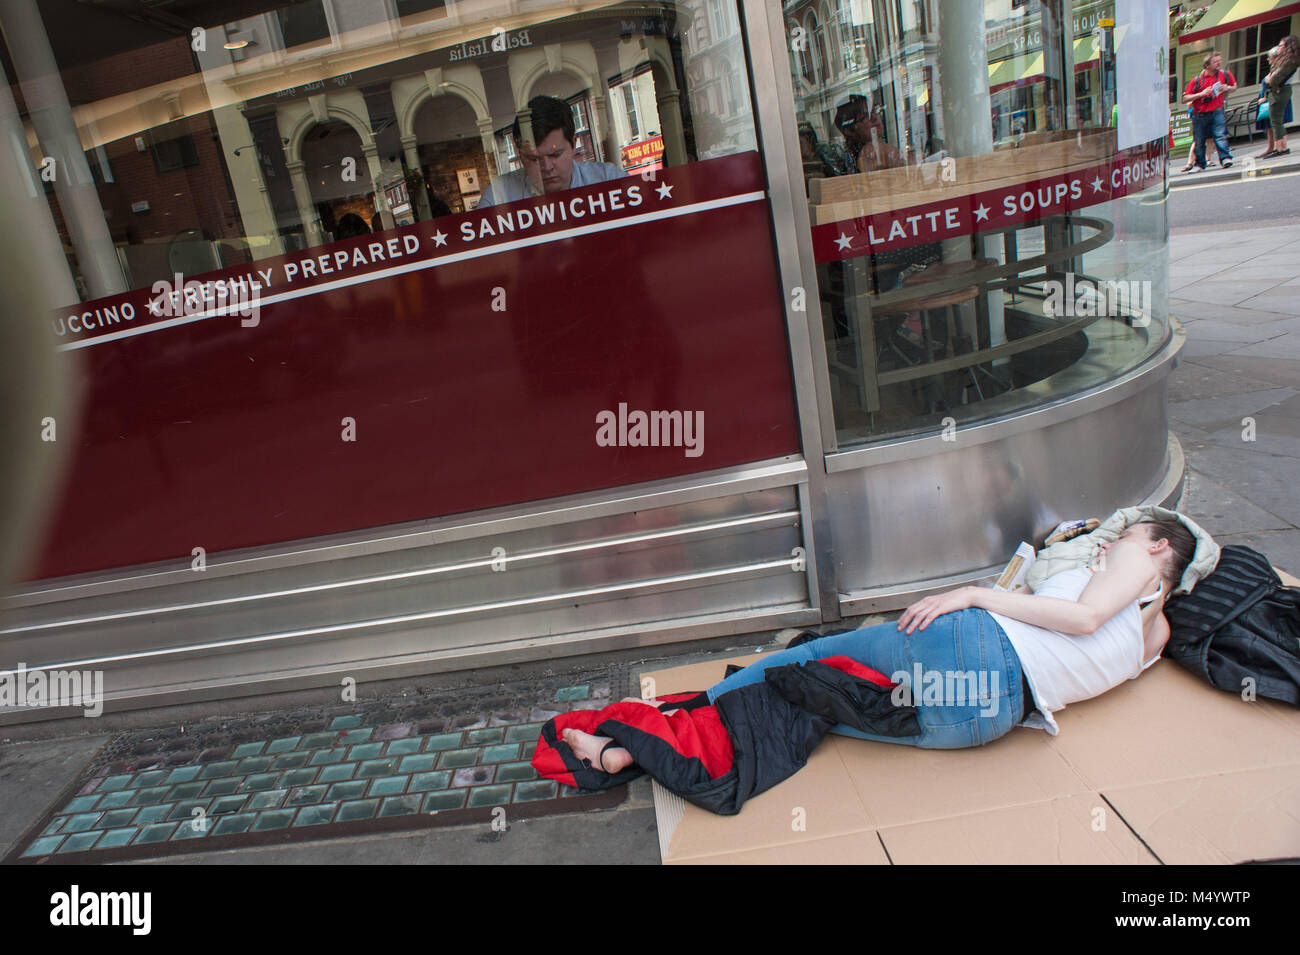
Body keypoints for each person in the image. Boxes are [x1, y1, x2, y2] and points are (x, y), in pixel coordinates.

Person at [562, 519, 1198, 771]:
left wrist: (975, 595)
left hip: (977, 649)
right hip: (984, 719)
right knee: (814, 703)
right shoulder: (1156, 633)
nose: (1111, 542)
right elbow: (1093, 636)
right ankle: (626, 755)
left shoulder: (1137, 569)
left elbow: (1085, 619)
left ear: (1159, 547)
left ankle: (662, 725)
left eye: (1126, 534)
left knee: (796, 665)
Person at [477, 96, 625, 207]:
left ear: (574, 145)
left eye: (555, 154)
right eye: (534, 159)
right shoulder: (499, 196)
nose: (546, 167)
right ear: (520, 155)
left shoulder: (609, 180)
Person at [1183, 51, 1237, 172]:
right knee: (1199, 140)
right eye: (1215, 61)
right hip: (1199, 114)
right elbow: (1185, 98)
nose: (1219, 63)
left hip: (1217, 110)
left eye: (1219, 60)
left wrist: (1227, 88)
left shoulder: (1224, 74)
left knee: (1220, 135)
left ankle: (1225, 159)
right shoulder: (1196, 80)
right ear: (1207, 65)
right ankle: (1199, 164)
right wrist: (1201, 94)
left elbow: (1234, 86)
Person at [832, 93, 904, 173]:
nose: (875, 118)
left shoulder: (850, 154)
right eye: (865, 117)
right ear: (849, 130)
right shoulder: (872, 150)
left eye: (875, 111)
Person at [1260, 35, 1299, 158]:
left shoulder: (1290, 61)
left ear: (1288, 47)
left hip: (1280, 91)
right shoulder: (1285, 59)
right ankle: (1280, 147)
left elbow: (1275, 79)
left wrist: (1269, 79)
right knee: (1276, 120)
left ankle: (1280, 148)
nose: (1279, 47)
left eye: (1281, 45)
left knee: (1276, 120)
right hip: (1278, 91)